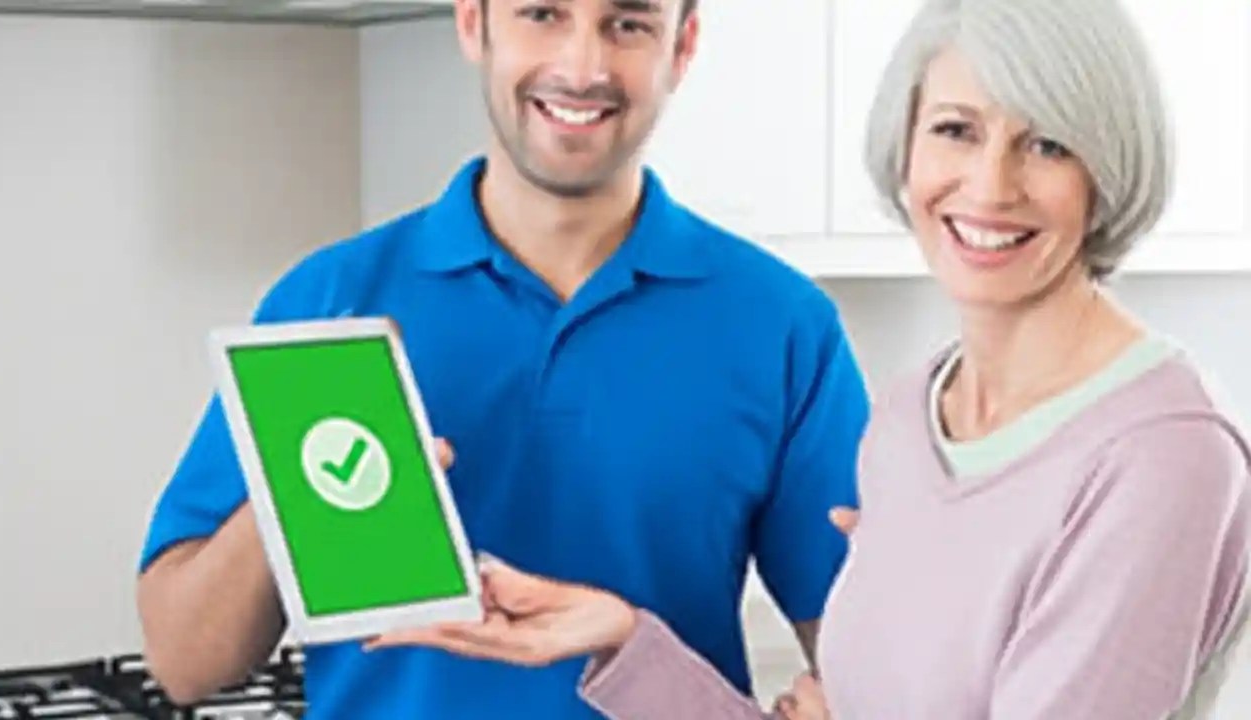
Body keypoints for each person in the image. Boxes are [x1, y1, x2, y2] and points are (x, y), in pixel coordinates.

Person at [366, 0, 1251, 718]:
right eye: (955, 129)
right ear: (905, 148)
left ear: (1110, 165)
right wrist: (620, 637)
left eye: (1048, 143)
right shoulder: (914, 416)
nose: (990, 184)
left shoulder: (1162, 452)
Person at [134, 0, 871, 717]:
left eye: (628, 23)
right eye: (543, 14)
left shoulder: (781, 324)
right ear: (472, 22)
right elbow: (185, 663)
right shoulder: (331, 300)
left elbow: (869, 660)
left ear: (682, 47)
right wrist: (304, 488)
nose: (582, 66)